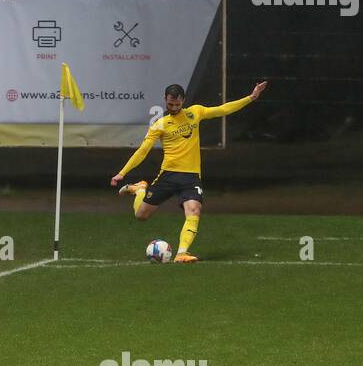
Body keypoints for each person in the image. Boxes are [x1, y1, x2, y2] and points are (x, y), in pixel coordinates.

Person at [110, 81, 268, 262]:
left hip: (191, 177)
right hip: (168, 175)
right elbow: (143, 151)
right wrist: (122, 172)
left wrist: (251, 97)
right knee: (141, 215)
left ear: (183, 100)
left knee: (194, 210)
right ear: (165, 100)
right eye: (170, 104)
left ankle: (181, 253)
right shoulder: (159, 125)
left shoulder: (195, 112)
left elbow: (223, 109)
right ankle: (139, 189)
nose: (174, 108)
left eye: (177, 104)